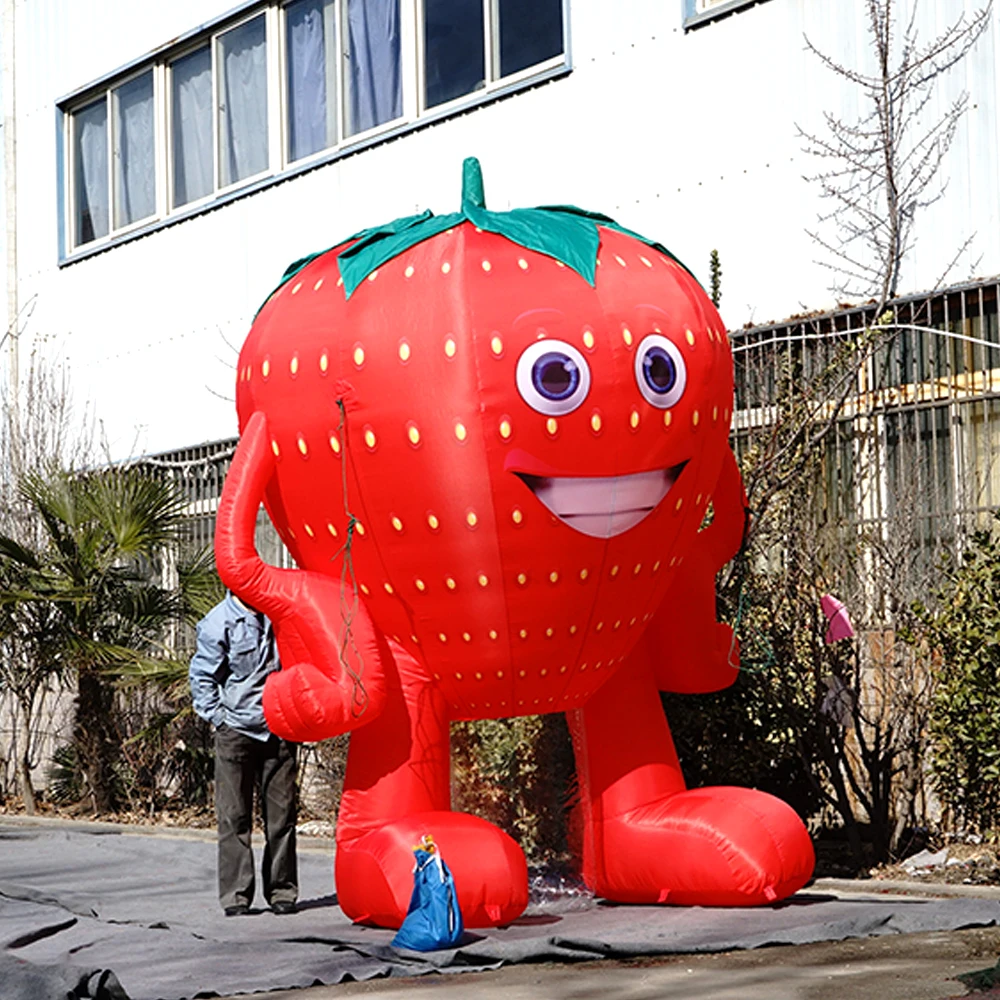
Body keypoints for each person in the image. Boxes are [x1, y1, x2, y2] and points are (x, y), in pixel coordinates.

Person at [189, 590, 298, 917]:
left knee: (282, 816)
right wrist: (221, 721)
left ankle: (282, 892)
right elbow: (202, 678)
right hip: (236, 731)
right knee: (234, 816)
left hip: (279, 728)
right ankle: (236, 897)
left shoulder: (278, 616)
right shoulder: (218, 622)